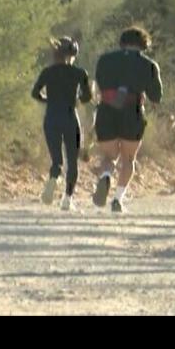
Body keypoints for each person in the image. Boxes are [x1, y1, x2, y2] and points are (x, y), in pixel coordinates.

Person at [91, 27, 163, 213]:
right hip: (133, 112)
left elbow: (98, 85)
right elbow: (156, 96)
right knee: (128, 159)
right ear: (144, 45)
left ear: (122, 41)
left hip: (106, 110)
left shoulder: (105, 60)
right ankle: (117, 199)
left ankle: (106, 175)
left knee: (109, 156)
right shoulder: (149, 65)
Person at [31, 37, 93, 210]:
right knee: (72, 160)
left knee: (57, 160)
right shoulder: (79, 73)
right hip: (70, 116)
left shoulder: (47, 72)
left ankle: (54, 177)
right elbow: (87, 97)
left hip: (51, 117)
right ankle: (67, 199)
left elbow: (35, 93)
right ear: (73, 54)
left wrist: (48, 100)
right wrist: (78, 98)